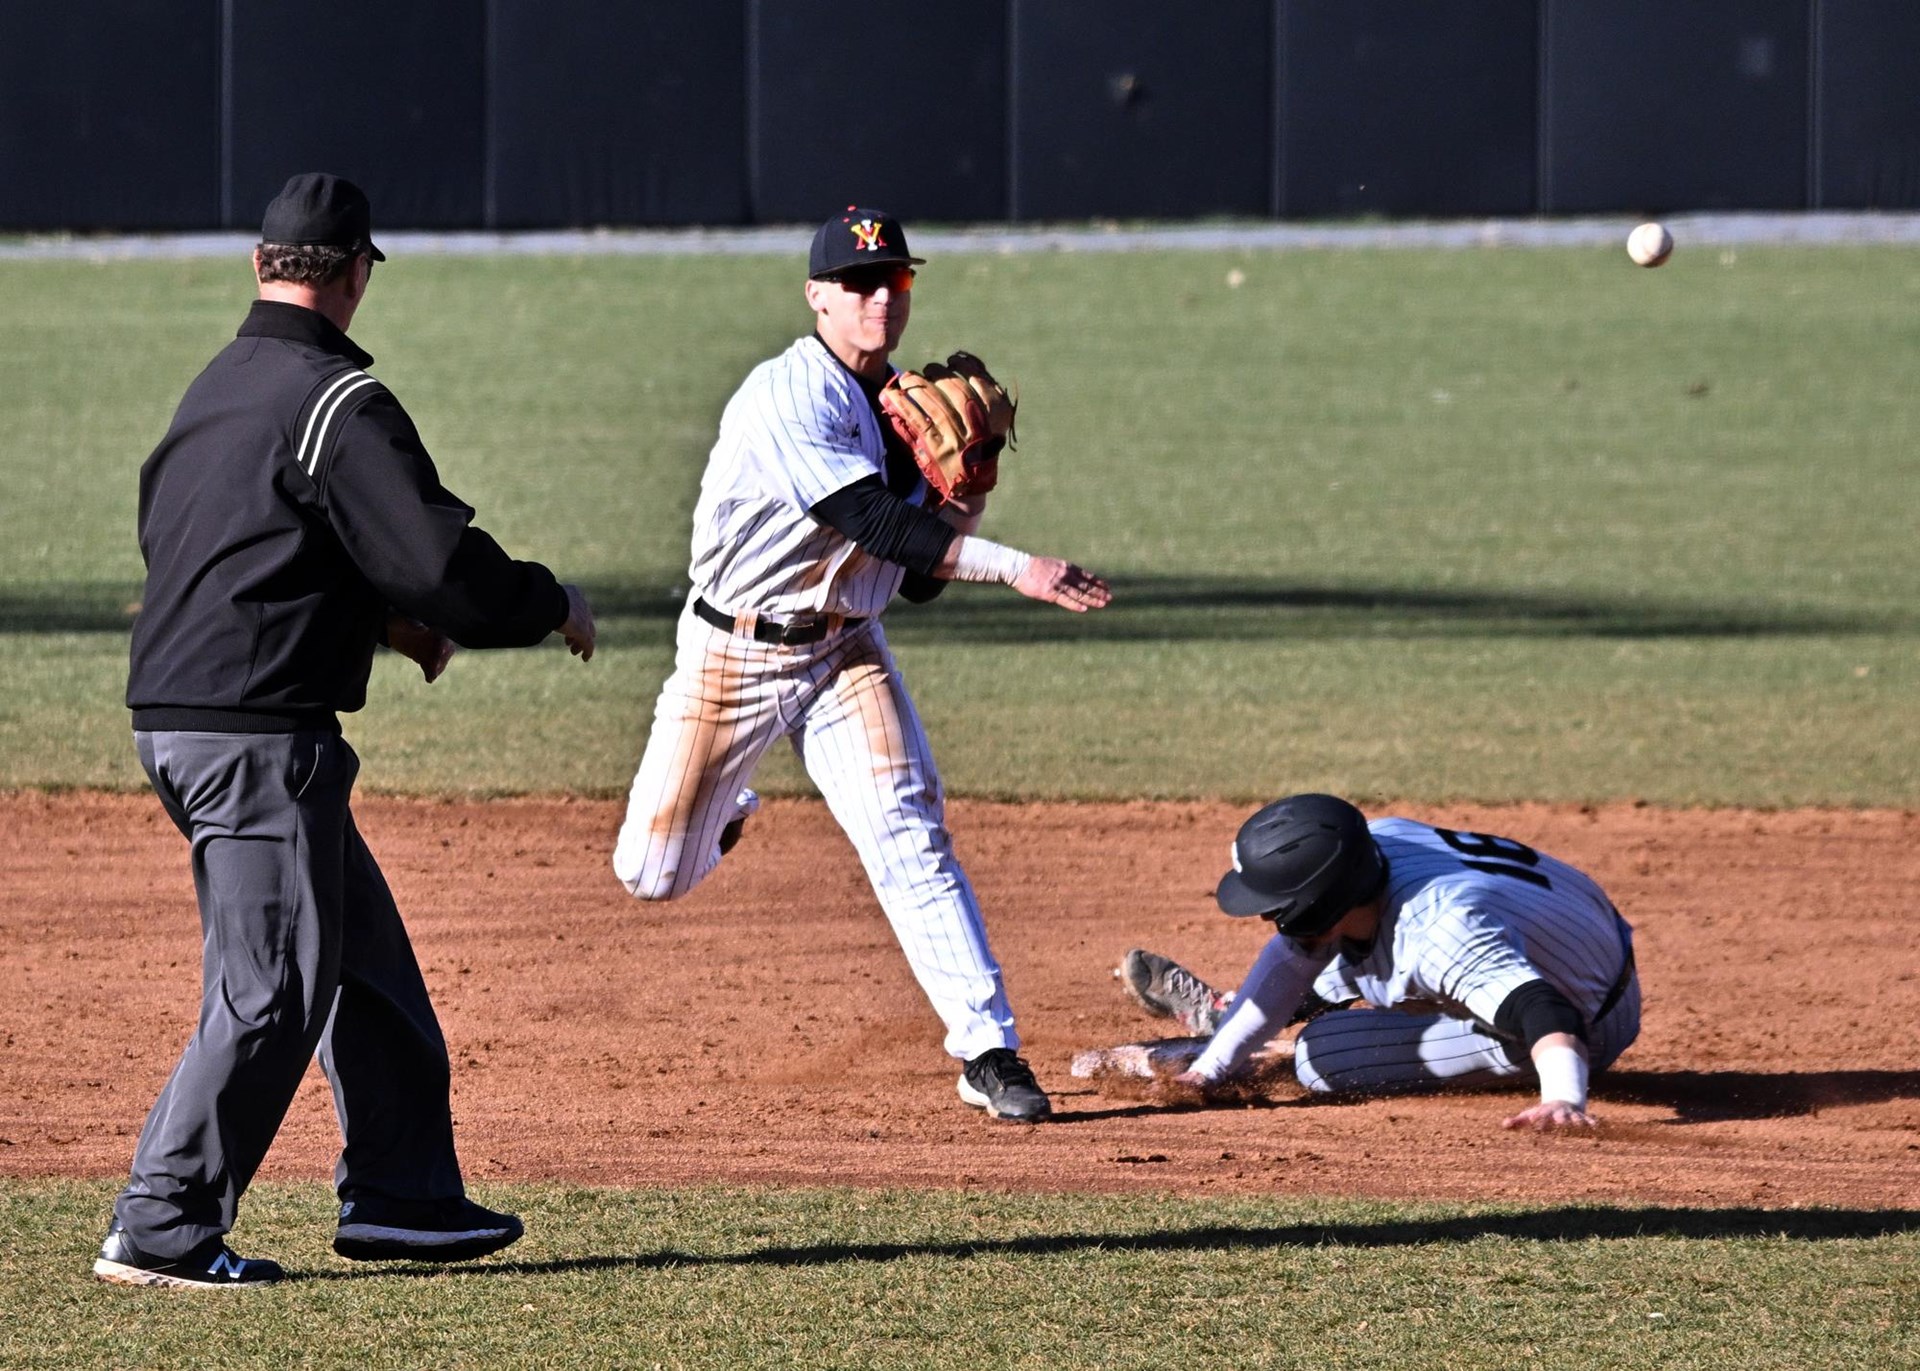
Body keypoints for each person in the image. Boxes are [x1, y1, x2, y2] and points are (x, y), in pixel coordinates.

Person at [97, 173, 597, 1289]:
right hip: (253, 735)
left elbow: (243, 547)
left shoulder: (218, 390)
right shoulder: (334, 400)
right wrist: (543, 600)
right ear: (359, 271)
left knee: (361, 967)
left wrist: (375, 622)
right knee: (273, 983)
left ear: (262, 264)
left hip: (198, 718)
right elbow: (436, 562)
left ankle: (403, 1195)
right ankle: (164, 1222)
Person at [612, 205, 1111, 1123]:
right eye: (858, 285)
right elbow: (872, 523)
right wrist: (1019, 567)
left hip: (843, 650)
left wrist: (968, 497)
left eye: (895, 282)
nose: (879, 300)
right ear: (817, 298)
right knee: (651, 873)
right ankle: (732, 805)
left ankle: (989, 1049)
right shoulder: (788, 395)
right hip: (735, 651)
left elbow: (913, 579)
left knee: (908, 834)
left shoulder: (899, 412)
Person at [1119, 793, 1639, 1129]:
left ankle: (1269, 1042)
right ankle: (1229, 1024)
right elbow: (1294, 957)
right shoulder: (1372, 843)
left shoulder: (1441, 936)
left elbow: (1548, 1012)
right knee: (1360, 954)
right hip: (1568, 930)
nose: (1265, 917)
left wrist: (1564, 1097)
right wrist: (1211, 1069)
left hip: (1583, 1012)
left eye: (1276, 907)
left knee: (1322, 1057)